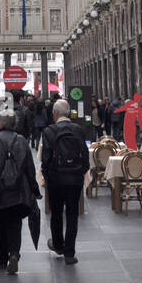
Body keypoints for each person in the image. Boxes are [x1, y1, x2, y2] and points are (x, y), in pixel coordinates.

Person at [0, 112, 41, 273]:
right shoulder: (22, 140)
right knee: (15, 223)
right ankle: (14, 253)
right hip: (18, 190)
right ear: (14, 124)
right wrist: (34, 188)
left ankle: (1, 257)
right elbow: (29, 168)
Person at [41, 98, 89, 266]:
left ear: (55, 113)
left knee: (56, 214)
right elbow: (85, 155)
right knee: (72, 214)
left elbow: (45, 158)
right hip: (74, 178)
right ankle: (70, 253)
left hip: (56, 179)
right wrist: (80, 172)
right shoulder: (78, 129)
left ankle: (59, 245)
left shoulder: (49, 131)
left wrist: (47, 176)